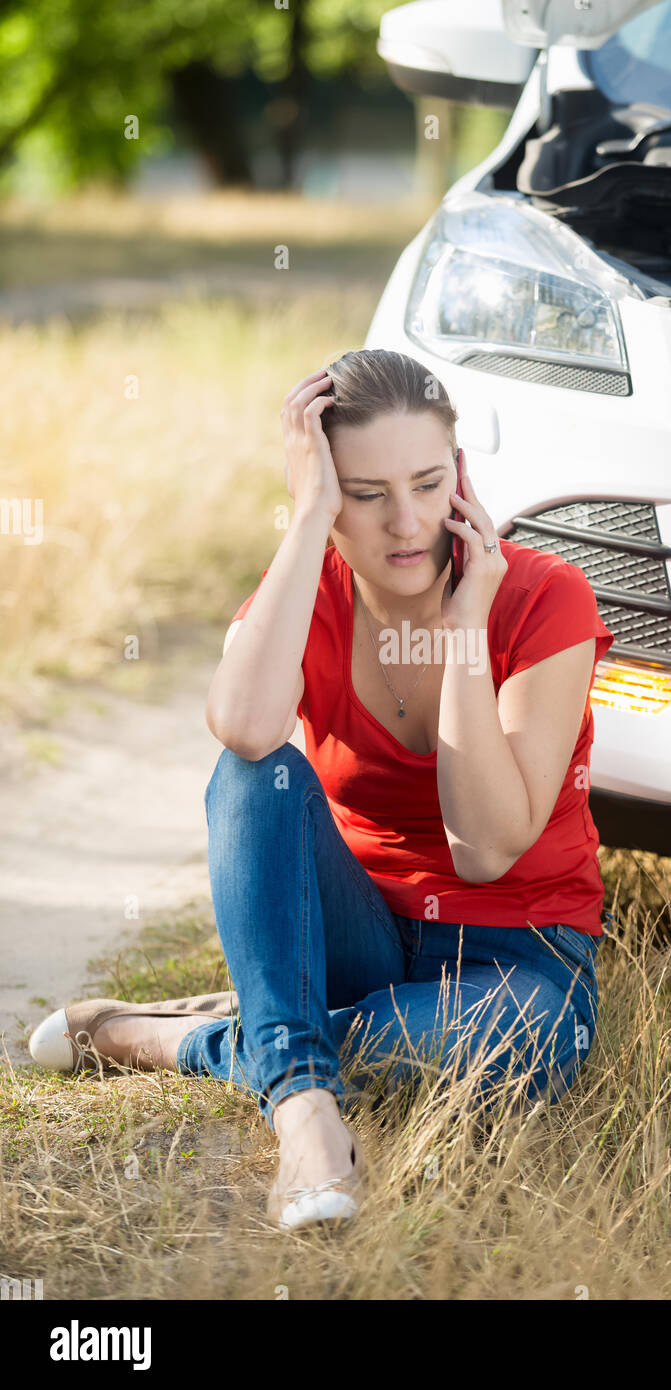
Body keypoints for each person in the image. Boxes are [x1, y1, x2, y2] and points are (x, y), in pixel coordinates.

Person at [29, 348, 614, 1232]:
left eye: (426, 483)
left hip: (522, 964)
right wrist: (305, 524)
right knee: (253, 771)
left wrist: (463, 637)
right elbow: (246, 734)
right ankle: (305, 1111)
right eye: (365, 494)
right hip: (360, 936)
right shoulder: (313, 586)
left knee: (464, 1045)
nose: (408, 523)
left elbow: (486, 850)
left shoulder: (544, 600)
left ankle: (197, 1034)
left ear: (462, 478)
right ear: (326, 491)